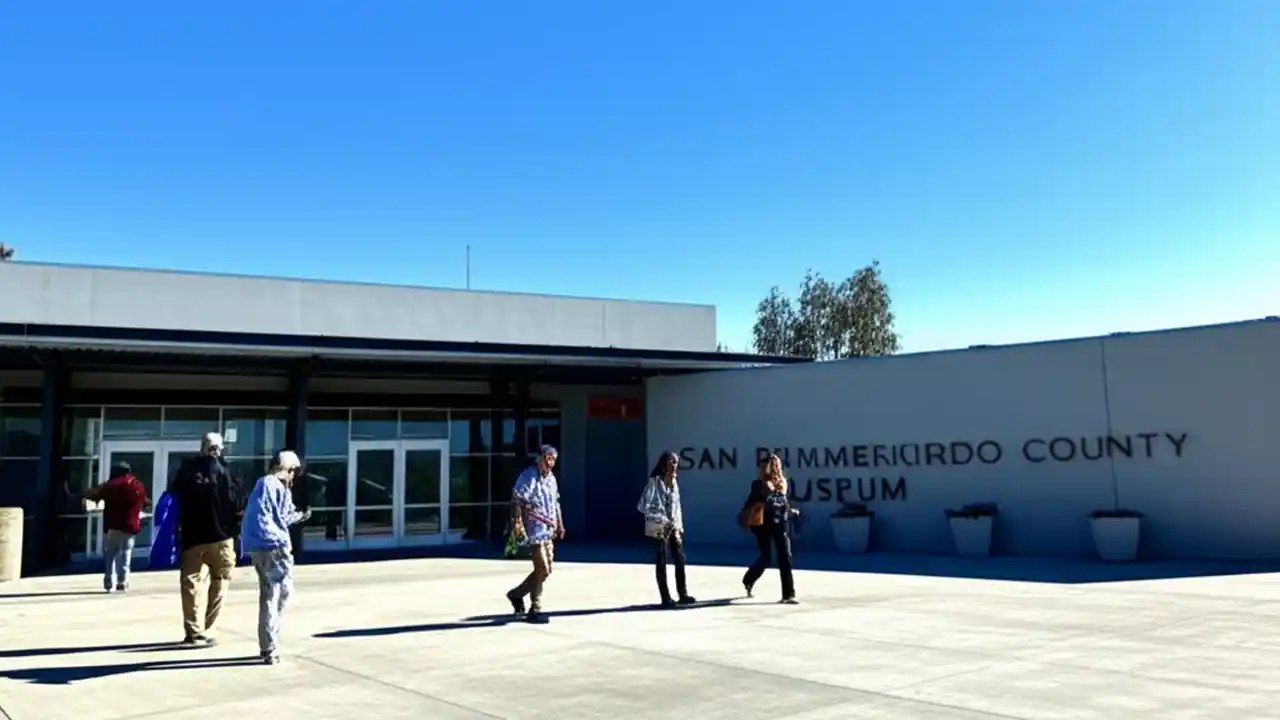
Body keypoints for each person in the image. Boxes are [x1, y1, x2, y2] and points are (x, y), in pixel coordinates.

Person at [169, 432, 243, 647]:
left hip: (193, 537)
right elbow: (236, 503)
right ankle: (208, 628)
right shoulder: (227, 472)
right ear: (219, 448)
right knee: (220, 581)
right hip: (221, 537)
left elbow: (174, 498)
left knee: (191, 584)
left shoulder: (186, 471)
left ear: (202, 447)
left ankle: (193, 631)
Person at [240, 449, 312, 665]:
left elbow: (273, 515)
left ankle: (268, 645)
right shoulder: (273, 485)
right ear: (287, 469)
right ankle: (270, 647)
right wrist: (299, 518)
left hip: (260, 546)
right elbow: (273, 516)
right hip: (274, 546)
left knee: (270, 595)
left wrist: (299, 516)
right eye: (294, 472)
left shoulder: (267, 485)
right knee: (277, 595)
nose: (294, 478)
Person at [505, 445, 563, 624]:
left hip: (549, 529)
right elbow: (517, 499)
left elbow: (556, 502)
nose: (551, 462)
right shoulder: (528, 476)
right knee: (542, 568)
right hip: (535, 529)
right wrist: (517, 522)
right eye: (548, 458)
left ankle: (516, 594)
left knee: (545, 571)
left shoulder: (552, 479)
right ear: (540, 458)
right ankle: (535, 608)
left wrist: (560, 523)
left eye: (554, 458)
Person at [637, 451, 697, 608]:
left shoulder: (674, 482)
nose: (674, 465)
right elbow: (644, 505)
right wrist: (660, 520)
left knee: (680, 559)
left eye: (676, 462)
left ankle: (682, 594)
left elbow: (677, 506)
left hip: (673, 527)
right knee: (661, 560)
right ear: (663, 464)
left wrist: (679, 526)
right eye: (671, 462)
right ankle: (665, 597)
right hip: (659, 527)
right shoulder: (654, 482)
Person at [741, 453, 801, 604]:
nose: (765, 469)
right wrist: (746, 518)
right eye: (763, 466)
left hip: (780, 524)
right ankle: (748, 580)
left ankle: (788, 595)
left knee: (785, 558)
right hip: (763, 526)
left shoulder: (783, 483)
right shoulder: (758, 484)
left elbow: (783, 502)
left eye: (770, 465)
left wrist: (790, 511)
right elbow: (751, 504)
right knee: (766, 558)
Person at [84, 462, 150, 593]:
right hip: (130, 526)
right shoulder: (137, 486)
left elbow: (94, 495)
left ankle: (109, 581)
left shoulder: (110, 485)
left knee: (110, 554)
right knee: (126, 553)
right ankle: (122, 581)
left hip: (113, 525)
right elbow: (146, 502)